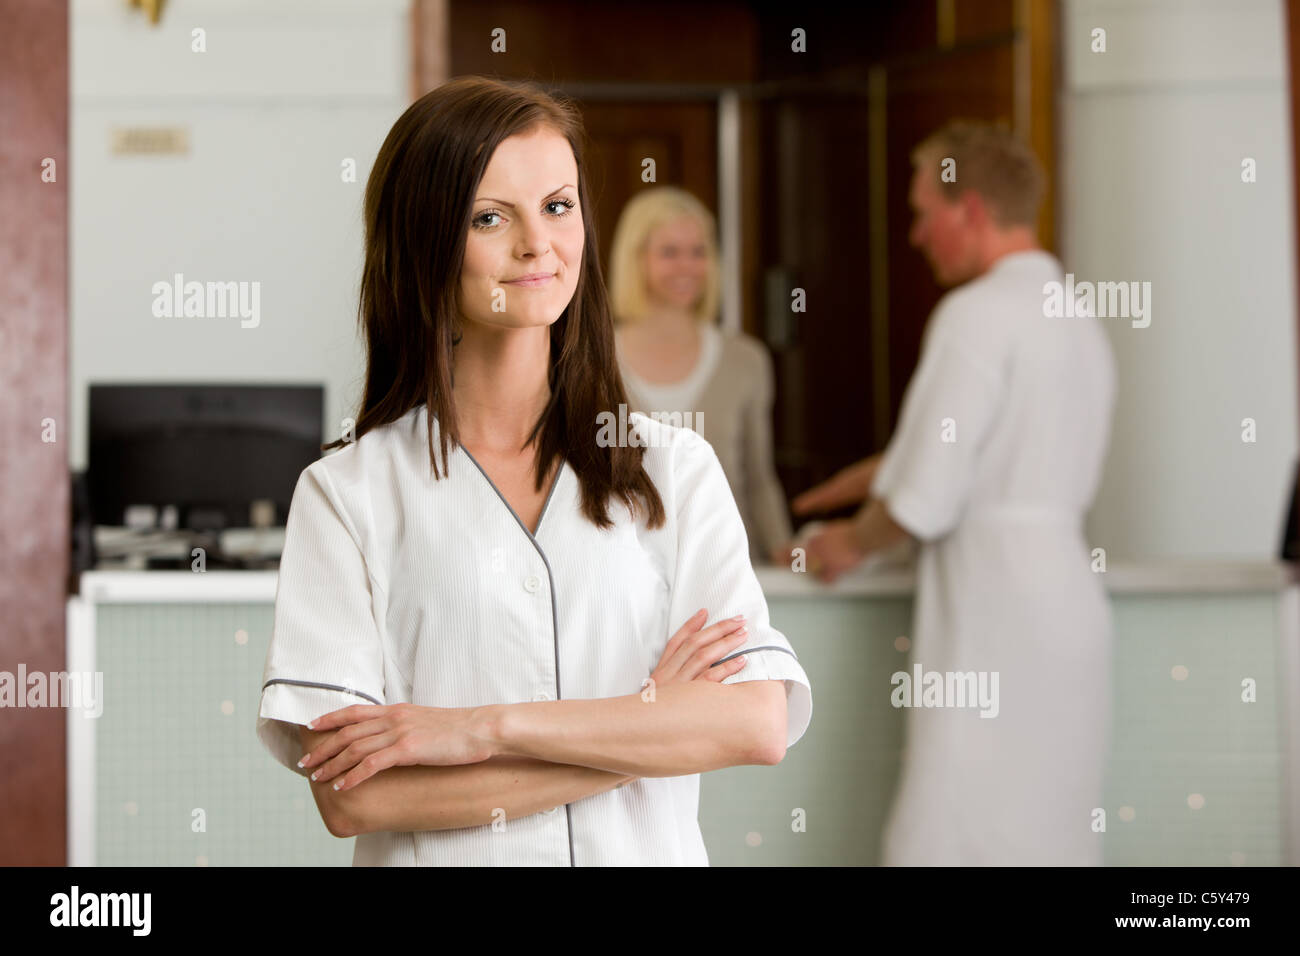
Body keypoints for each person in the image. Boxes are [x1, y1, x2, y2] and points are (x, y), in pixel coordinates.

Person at [254, 76, 813, 866]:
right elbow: (354, 797)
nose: (537, 246)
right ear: (427, 242)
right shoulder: (348, 495)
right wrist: (644, 728)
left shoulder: (675, 470)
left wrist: (477, 728)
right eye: (490, 218)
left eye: (558, 206)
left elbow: (755, 723)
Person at [796, 120, 1116, 865]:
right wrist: (856, 484)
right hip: (1068, 605)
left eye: (921, 212)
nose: (914, 234)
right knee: (1048, 836)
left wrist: (839, 543)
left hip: (994, 611)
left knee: (948, 835)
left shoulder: (975, 315)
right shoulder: (1076, 316)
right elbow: (962, 448)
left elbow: (920, 501)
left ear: (968, 209)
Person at [608, 186, 793, 566]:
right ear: (636, 258)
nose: (687, 267)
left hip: (729, 569)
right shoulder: (594, 359)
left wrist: (786, 555)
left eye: (698, 252)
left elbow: (759, 480)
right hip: (624, 575)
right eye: (670, 252)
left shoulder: (746, 360)